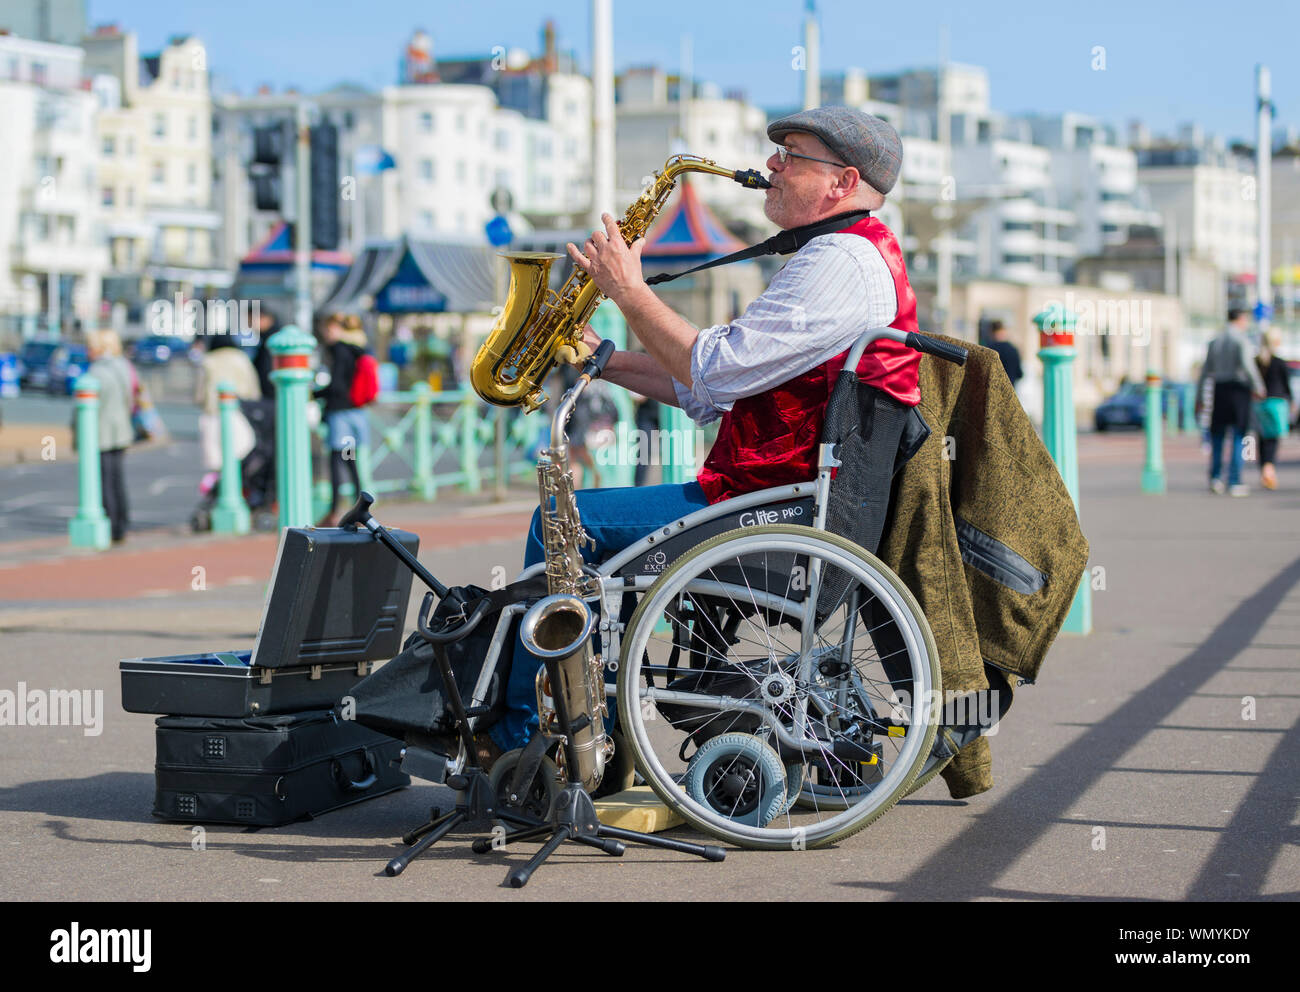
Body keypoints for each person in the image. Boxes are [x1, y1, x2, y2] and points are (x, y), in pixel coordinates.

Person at [486, 105, 922, 759]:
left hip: (777, 515)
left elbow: (712, 367)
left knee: (567, 518)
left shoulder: (840, 263)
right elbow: (709, 388)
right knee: (578, 524)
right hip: (781, 504)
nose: (771, 164)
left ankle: (513, 735)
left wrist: (628, 289)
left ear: (841, 182)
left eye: (792, 154)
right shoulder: (842, 255)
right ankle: (578, 717)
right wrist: (607, 361)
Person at [1196, 308, 1266, 496]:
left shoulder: (1215, 341)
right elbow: (1247, 366)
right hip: (1238, 391)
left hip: (1219, 389)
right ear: (1241, 319)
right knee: (1238, 435)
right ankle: (1234, 480)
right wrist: (1258, 387)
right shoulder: (1241, 340)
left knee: (1217, 435)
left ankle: (1215, 477)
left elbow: (1204, 372)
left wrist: (1199, 397)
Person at [315, 314, 371, 527]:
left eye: (329, 330)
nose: (327, 335)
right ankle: (360, 508)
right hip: (355, 413)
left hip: (341, 415)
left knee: (337, 461)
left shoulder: (338, 351)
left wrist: (316, 394)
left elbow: (337, 385)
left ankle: (334, 510)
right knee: (350, 461)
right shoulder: (356, 350)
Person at [82, 329, 136, 544]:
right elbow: (132, 396)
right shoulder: (124, 366)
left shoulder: (96, 372)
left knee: (104, 480)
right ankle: (122, 521)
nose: (88, 351)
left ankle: (112, 525)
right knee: (117, 478)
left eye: (90, 347)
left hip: (101, 432)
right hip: (121, 430)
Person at [194, 332, 261, 500]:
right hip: (240, 413)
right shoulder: (241, 358)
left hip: (213, 414)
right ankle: (239, 494)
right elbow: (253, 389)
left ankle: (218, 495)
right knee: (240, 455)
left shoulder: (208, 361)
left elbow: (200, 394)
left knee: (217, 462)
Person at [1253, 327, 1293, 490]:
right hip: (1276, 403)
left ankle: (1264, 469)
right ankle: (1269, 469)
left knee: (1261, 437)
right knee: (1273, 439)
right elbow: (1286, 385)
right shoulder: (1280, 362)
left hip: (1259, 403)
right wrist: (1291, 403)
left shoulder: (1256, 361)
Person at [988, 320, 1022, 388]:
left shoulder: (989, 350)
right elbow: (1019, 374)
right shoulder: (1013, 349)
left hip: (993, 390)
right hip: (1010, 390)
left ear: (992, 332)